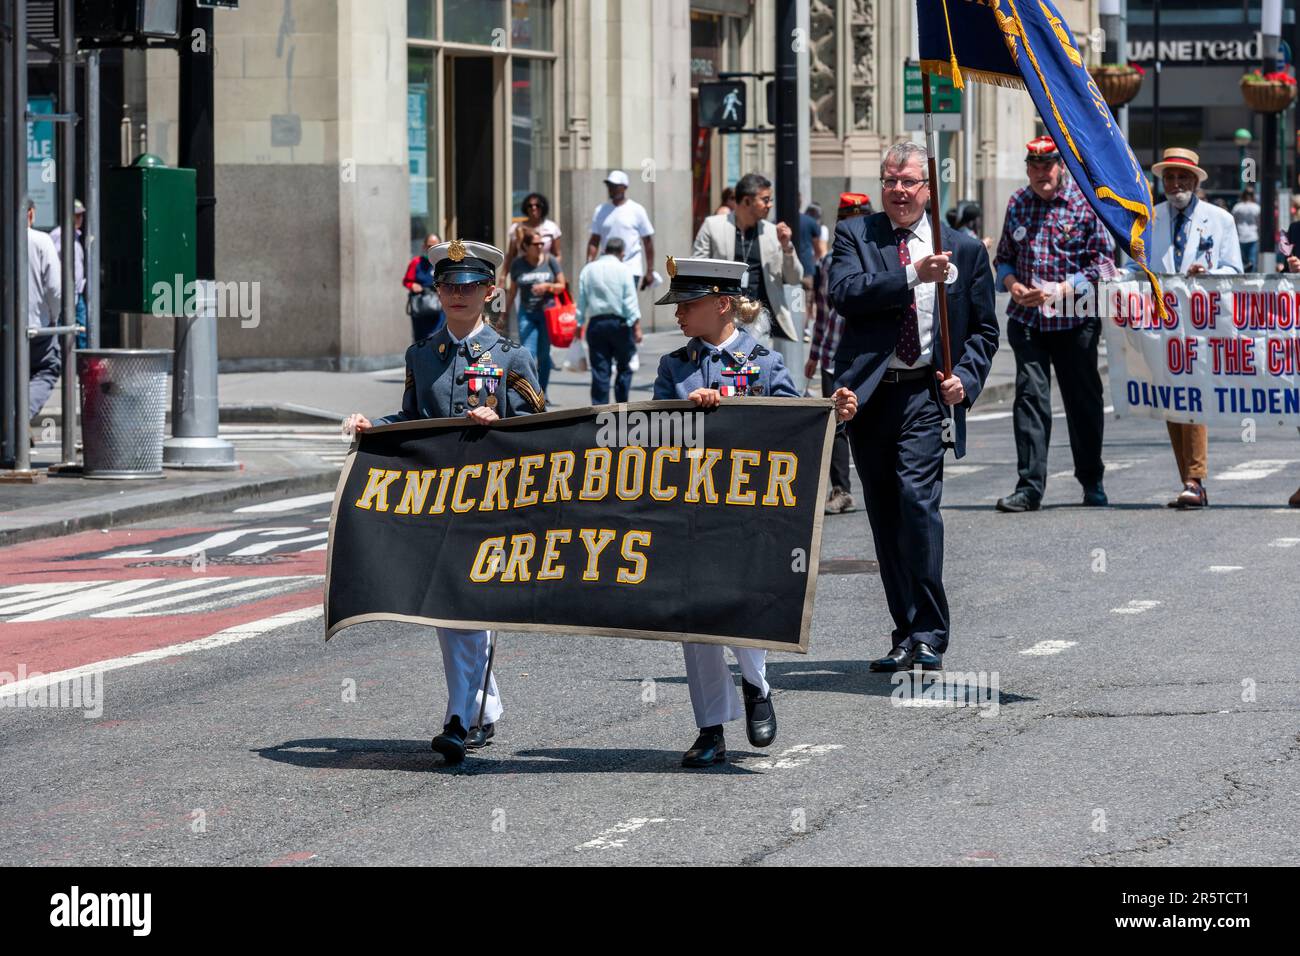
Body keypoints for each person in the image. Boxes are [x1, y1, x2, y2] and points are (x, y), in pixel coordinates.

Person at [344, 239, 546, 764]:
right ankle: (476, 711)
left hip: (492, 500)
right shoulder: (421, 356)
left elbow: (542, 430)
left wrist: (500, 423)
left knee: (466, 605)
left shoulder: (511, 356)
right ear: (436, 291)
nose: (458, 294)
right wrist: (373, 427)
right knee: (448, 608)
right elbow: (411, 419)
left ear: (489, 292)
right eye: (448, 285)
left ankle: (463, 717)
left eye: (470, 286)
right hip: (437, 501)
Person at [653, 255, 858, 767]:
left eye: (689, 303)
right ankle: (710, 728)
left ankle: (757, 686)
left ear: (723, 305)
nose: (678, 313)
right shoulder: (673, 367)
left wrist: (834, 413)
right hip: (692, 513)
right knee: (694, 620)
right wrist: (683, 411)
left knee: (746, 603)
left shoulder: (764, 363)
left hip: (749, 515)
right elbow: (650, 434)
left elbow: (797, 427)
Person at [829, 142, 999, 673]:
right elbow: (846, 293)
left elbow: (984, 331)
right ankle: (904, 629)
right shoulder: (857, 234)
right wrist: (911, 275)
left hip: (924, 395)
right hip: (870, 395)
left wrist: (965, 380)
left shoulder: (964, 250)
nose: (898, 191)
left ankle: (929, 631)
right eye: (890, 181)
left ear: (929, 187)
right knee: (883, 514)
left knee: (916, 504)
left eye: (909, 181)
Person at [992, 135, 1117, 513]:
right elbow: (1004, 259)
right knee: (1030, 401)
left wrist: (1062, 289)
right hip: (1029, 320)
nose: (1041, 174)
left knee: (1083, 403)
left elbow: (1106, 266)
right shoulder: (1017, 202)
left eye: (1047, 167)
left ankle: (1091, 479)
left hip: (1075, 321)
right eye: (1034, 167)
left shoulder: (1084, 203)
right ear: (1028, 169)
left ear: (1060, 168)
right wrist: (1013, 286)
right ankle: (1029, 487)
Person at [1133, 147, 1242, 509]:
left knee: (1192, 393)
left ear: (1195, 182)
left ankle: (1195, 479)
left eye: (1182, 178)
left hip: (1201, 323)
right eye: (1169, 177)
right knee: (1172, 400)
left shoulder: (1220, 219)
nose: (1176, 184)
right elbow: (1137, 267)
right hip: (1162, 322)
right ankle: (1190, 481)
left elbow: (1234, 270)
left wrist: (1209, 274)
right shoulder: (1148, 219)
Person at [807, 191, 873, 515]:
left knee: (872, 422)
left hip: (870, 356)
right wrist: (814, 353)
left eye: (861, 219)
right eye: (849, 220)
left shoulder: (879, 256)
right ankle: (841, 488)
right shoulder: (825, 263)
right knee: (835, 424)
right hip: (835, 355)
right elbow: (821, 313)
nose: (855, 226)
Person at [692, 172, 803, 344]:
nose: (770, 205)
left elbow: (794, 277)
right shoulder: (713, 227)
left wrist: (787, 247)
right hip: (721, 318)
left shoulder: (773, 233)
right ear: (746, 201)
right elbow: (696, 270)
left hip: (760, 321)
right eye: (765, 200)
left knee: (758, 369)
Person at [576, 236, 641, 404]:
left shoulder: (588, 270)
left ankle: (600, 411)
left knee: (600, 370)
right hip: (619, 324)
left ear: (604, 250)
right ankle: (621, 406)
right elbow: (630, 301)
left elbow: (582, 300)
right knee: (625, 367)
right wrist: (637, 327)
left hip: (596, 324)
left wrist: (579, 324)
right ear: (622, 253)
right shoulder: (624, 269)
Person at [506, 225, 566, 394]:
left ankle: (543, 391)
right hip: (527, 313)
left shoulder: (550, 260)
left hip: (548, 314)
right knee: (528, 354)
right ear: (526, 247)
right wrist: (504, 313)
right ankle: (532, 393)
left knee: (544, 355)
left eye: (541, 243)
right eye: (536, 244)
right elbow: (512, 291)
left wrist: (548, 286)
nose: (540, 246)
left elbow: (562, 285)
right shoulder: (518, 264)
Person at [586, 170, 655, 292]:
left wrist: (650, 271)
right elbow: (594, 240)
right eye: (609, 186)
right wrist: (588, 265)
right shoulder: (600, 210)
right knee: (609, 307)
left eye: (615, 186)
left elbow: (647, 242)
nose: (611, 189)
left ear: (625, 187)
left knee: (625, 306)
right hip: (606, 269)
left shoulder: (637, 210)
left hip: (630, 269)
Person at [26, 199, 62, 421]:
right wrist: (54, 317)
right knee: (47, 369)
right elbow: (54, 288)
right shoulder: (41, 240)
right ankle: (17, 419)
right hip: (36, 324)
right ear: (30, 213)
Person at [49, 198, 86, 348]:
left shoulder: (76, 236)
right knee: (65, 328)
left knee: (81, 330)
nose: (79, 219)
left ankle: (81, 364)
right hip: (65, 292)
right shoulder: (59, 235)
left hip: (77, 291)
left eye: (81, 215)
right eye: (76, 215)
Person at [503, 192, 562, 274]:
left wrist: (553, 272)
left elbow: (557, 255)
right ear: (526, 208)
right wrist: (503, 277)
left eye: (538, 205)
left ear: (543, 207)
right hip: (522, 273)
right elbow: (510, 256)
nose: (534, 208)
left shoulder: (552, 227)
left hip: (545, 274)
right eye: (530, 206)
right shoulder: (517, 228)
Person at [402, 233, 444, 342]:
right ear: (424, 246)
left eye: (435, 246)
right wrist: (413, 285)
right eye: (429, 246)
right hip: (421, 306)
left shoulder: (443, 263)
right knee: (421, 339)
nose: (432, 249)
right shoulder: (416, 262)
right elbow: (406, 281)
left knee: (438, 337)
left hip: (438, 306)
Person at [1231, 187, 1260, 271]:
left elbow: (1233, 222)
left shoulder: (1237, 207)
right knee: (1252, 260)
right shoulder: (1256, 207)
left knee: (1241, 260)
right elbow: (1259, 222)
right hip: (1253, 236)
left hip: (1240, 235)